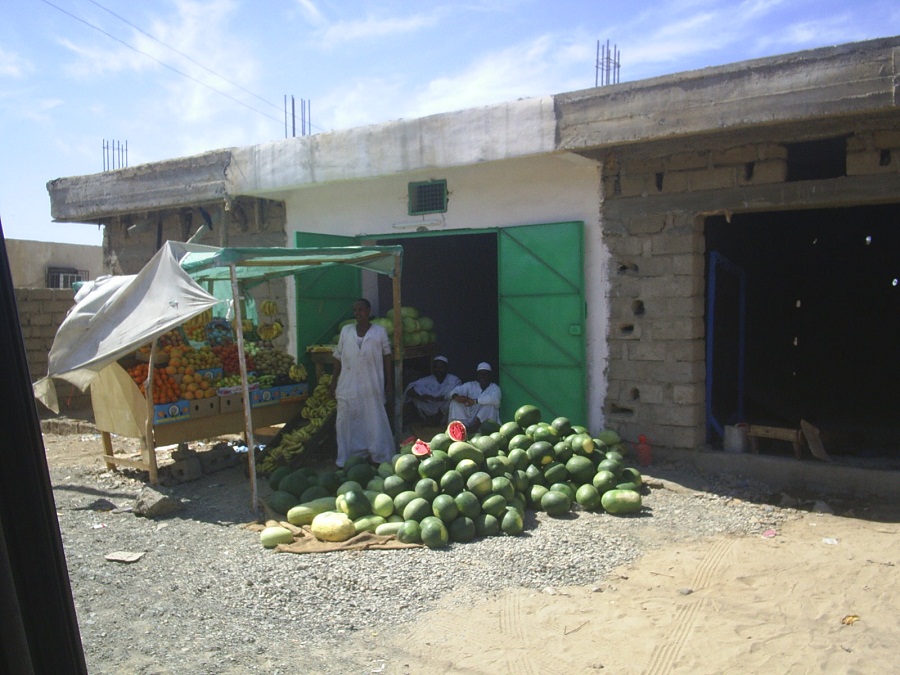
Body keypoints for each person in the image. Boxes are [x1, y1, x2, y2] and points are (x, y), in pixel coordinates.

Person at [328, 298, 395, 467]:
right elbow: (338, 356)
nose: (358, 313)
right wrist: (333, 380)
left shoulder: (379, 332)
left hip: (371, 385)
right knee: (346, 422)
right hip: (347, 385)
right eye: (355, 310)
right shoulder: (346, 331)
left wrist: (388, 382)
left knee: (374, 419)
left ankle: (377, 454)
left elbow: (387, 356)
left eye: (361, 310)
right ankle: (347, 458)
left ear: (369, 311)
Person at [403, 355, 461, 426]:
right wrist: (420, 397)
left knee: (453, 399)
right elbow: (410, 388)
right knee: (416, 392)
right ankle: (428, 419)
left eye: (441, 367)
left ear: (446, 368)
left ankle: (437, 419)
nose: (438, 370)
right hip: (430, 406)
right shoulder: (429, 379)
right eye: (435, 367)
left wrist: (434, 398)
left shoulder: (454, 380)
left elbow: (456, 394)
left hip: (445, 411)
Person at [448, 361, 501, 434]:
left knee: (489, 406)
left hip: (483, 421)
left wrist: (475, 401)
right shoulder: (471, 385)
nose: (482, 376)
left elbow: (495, 399)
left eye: (485, 373)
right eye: (480, 374)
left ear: (490, 375)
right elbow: (455, 390)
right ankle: (459, 429)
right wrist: (456, 396)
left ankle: (474, 429)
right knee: (454, 402)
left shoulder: (495, 388)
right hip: (469, 416)